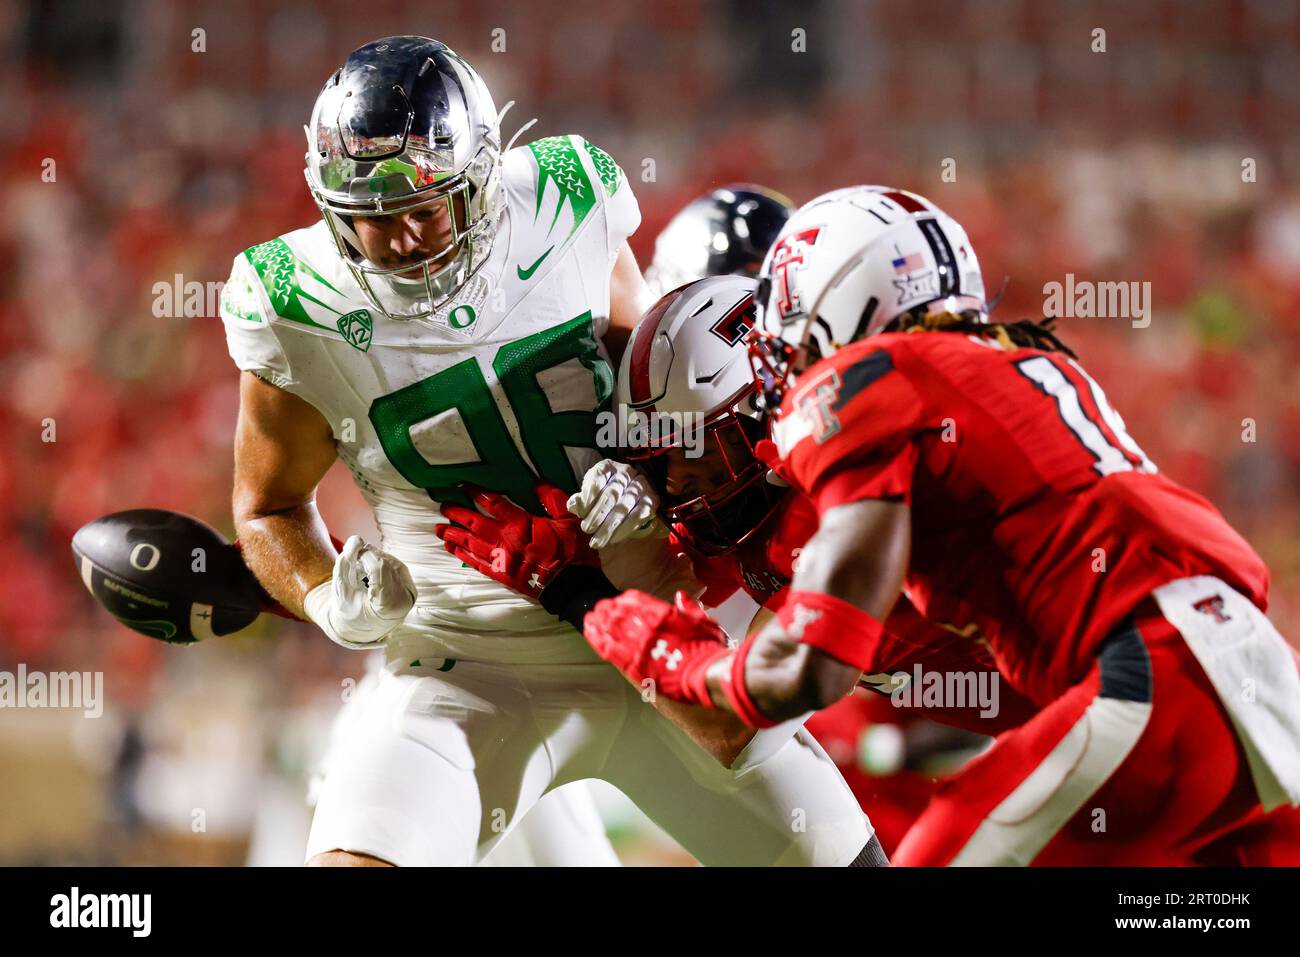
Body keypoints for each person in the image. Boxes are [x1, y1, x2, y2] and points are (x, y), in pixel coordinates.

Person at [223, 35, 876, 866]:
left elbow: (655, 372)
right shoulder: (291, 303)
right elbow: (268, 508)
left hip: (646, 627)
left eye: (426, 207)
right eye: (372, 219)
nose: (402, 240)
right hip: (462, 658)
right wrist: (328, 601)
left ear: (486, 178)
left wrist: (649, 477)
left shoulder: (569, 198)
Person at [568, 184, 1300, 865]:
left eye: (783, 321)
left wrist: (655, 644)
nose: (776, 366)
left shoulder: (859, 389)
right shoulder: (999, 367)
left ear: (839, 305)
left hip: (1155, 676)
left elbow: (805, 666)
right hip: (1237, 666)